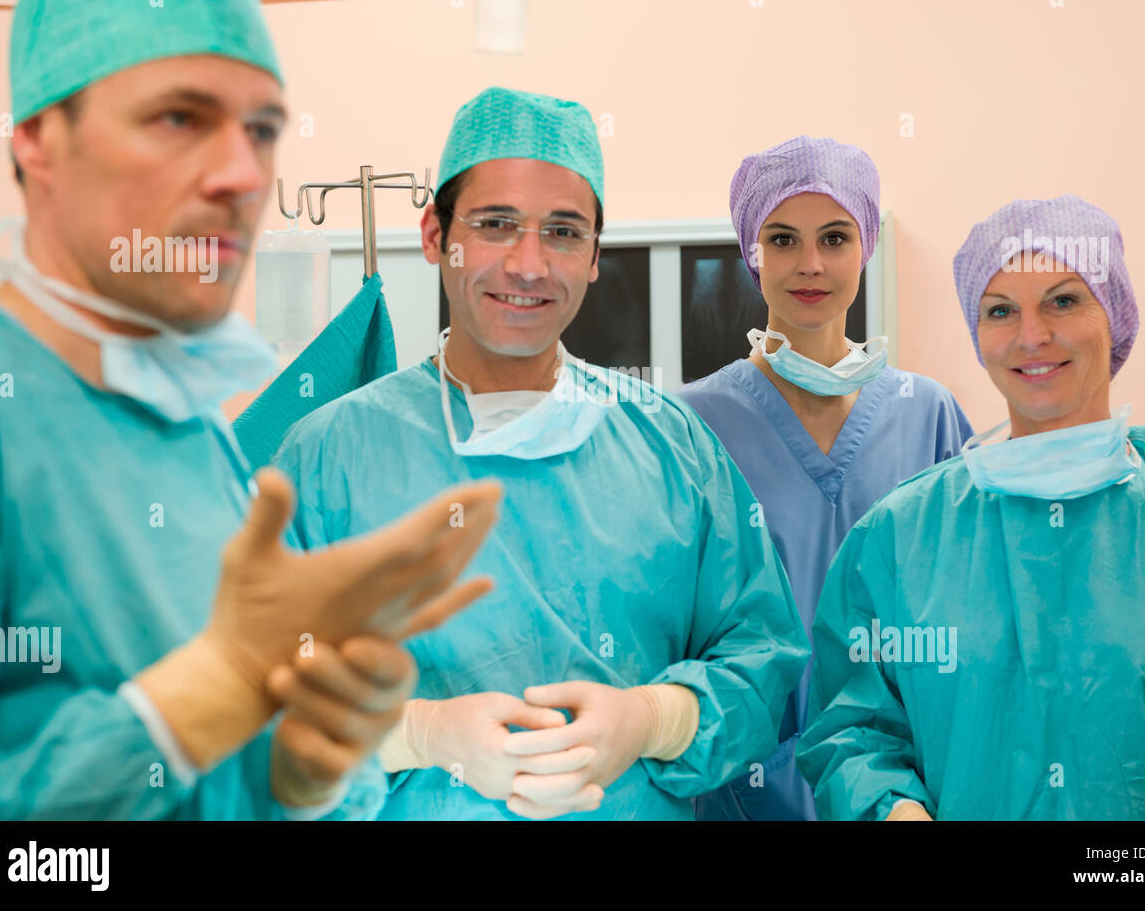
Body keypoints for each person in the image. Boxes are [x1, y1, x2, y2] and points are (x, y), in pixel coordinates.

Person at [0, 0, 502, 821]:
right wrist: (202, 697)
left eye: (260, 129)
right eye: (180, 116)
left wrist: (298, 777)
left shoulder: (187, 427)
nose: (244, 175)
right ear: (36, 136)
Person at [271, 86, 810, 821]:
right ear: (435, 234)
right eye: (496, 225)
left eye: (563, 232)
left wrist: (654, 717)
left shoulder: (672, 447)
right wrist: (415, 734)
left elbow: (763, 658)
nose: (529, 264)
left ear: (594, 256)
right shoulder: (330, 457)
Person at [795, 195, 1145, 820]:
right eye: (1000, 311)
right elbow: (851, 735)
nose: (1032, 336)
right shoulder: (898, 539)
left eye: (1063, 301)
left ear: (1115, 315)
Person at [677, 136, 972, 820]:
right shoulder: (693, 424)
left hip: (904, 791)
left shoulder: (926, 415)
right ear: (753, 256)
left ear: (865, 246)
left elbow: (966, 614)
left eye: (834, 237)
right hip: (740, 788)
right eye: (782, 238)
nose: (810, 264)